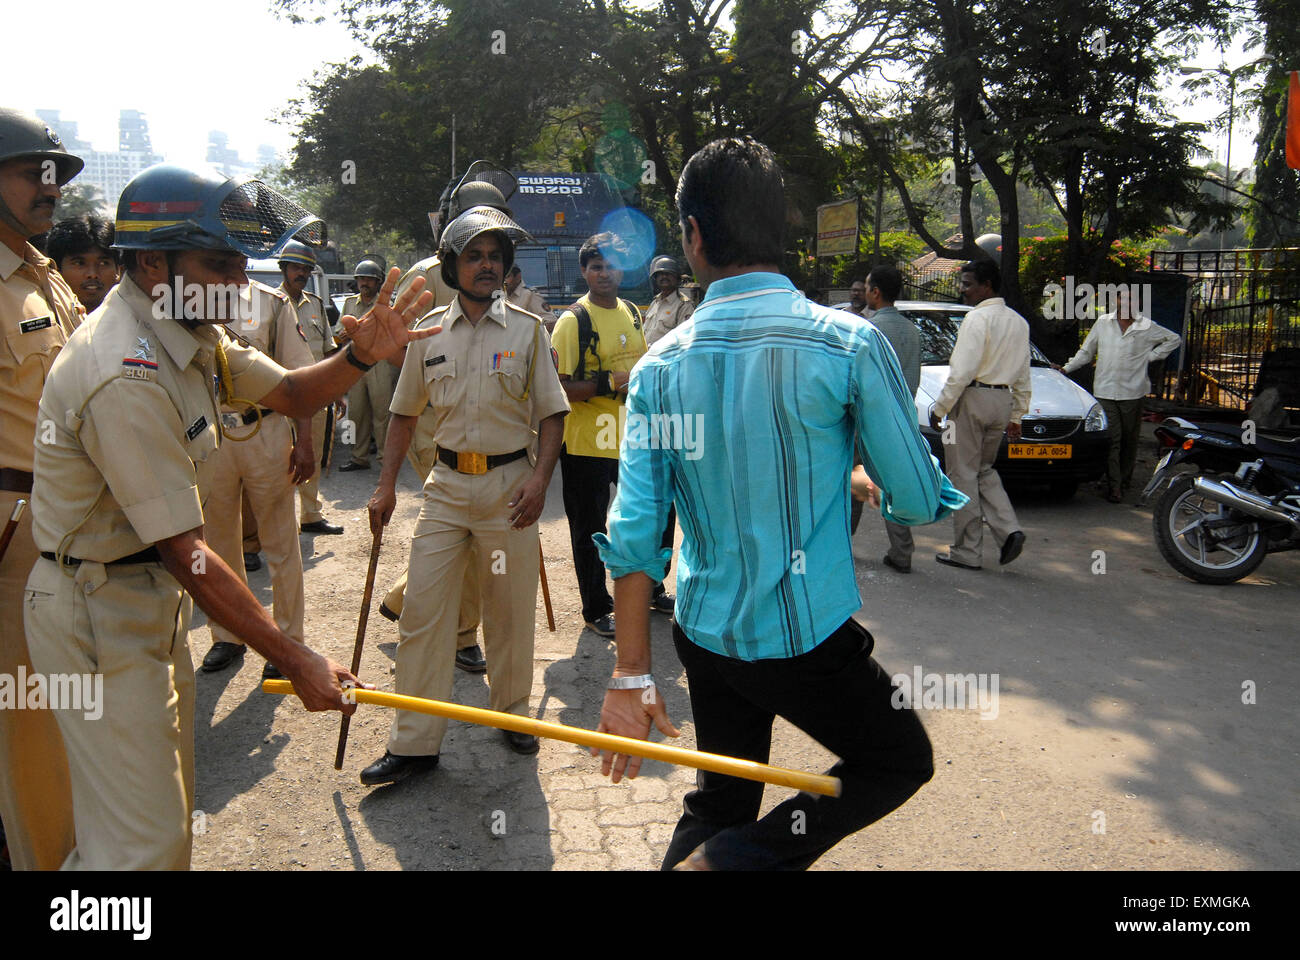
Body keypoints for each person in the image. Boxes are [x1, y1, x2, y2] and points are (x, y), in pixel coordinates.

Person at [22, 163, 435, 869]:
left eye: (241, 263)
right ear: (153, 262)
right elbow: (192, 556)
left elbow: (295, 394)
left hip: (140, 604)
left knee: (145, 828)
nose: (239, 281)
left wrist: (359, 355)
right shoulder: (126, 369)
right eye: (220, 263)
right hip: (97, 613)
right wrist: (295, 656)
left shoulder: (188, 328)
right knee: (141, 846)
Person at [590, 137, 965, 870]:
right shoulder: (847, 344)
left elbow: (636, 534)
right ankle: (732, 862)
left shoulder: (660, 366)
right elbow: (919, 502)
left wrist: (630, 678)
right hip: (803, 640)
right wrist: (865, 472)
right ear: (782, 229)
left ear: (693, 236)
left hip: (703, 631)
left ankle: (712, 854)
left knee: (721, 795)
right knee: (896, 760)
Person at [360, 204, 569, 784]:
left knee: (509, 610)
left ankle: (513, 716)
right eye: (474, 256)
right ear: (453, 266)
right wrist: (384, 488)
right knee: (423, 611)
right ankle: (415, 742)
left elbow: (553, 415)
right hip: (446, 490)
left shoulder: (529, 333)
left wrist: (539, 481)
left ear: (506, 268)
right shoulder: (427, 337)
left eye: (495, 257)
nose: (486, 266)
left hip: (509, 491)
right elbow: (402, 416)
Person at [378, 176, 521, 673]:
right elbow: (398, 351)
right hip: (436, 428)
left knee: (465, 529)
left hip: (466, 425)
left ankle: (404, 597)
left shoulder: (473, 267)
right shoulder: (426, 274)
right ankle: (461, 635)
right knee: (466, 529)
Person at [0, 106, 83, 871]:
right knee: (23, 709)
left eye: (54, 174)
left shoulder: (44, 273)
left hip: (63, 517)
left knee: (58, 702)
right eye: (33, 172)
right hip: (12, 527)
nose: (49, 187)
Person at [552, 233, 672, 639]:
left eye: (612, 265)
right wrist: (608, 382)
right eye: (596, 266)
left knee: (653, 514)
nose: (605, 273)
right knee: (590, 527)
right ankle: (596, 607)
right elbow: (558, 387)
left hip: (631, 436)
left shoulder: (632, 313)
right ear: (584, 271)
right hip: (586, 443)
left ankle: (652, 585)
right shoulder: (573, 321)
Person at [199, 279, 319, 677]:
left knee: (280, 541)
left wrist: (304, 441)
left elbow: (298, 376)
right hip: (213, 434)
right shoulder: (190, 296)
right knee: (218, 542)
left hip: (264, 429)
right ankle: (228, 635)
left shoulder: (270, 303)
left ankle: (288, 641)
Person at [928, 259, 1029, 570]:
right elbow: (1024, 373)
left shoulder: (977, 319)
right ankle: (1009, 529)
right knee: (984, 470)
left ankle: (968, 552)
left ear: (987, 286)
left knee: (963, 475)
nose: (963, 290)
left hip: (972, 398)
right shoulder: (1018, 322)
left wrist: (940, 408)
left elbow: (962, 371)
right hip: (1002, 402)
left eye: (968, 284)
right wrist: (1017, 415)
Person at [1054, 288, 1180, 502]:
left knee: (1129, 441)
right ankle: (1115, 486)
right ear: (1117, 301)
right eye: (1124, 299)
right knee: (1113, 439)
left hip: (1134, 391)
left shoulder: (1147, 326)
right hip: (1105, 390)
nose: (1128, 304)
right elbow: (1086, 352)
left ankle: (1123, 479)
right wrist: (1065, 369)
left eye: (1133, 300)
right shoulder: (1103, 323)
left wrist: (1151, 356)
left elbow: (1174, 339)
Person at [278, 239, 345, 534]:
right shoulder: (267, 304)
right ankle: (265, 532)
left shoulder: (316, 306)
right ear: (284, 269)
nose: (301, 273)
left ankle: (310, 516)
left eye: (306, 268)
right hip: (278, 395)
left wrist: (338, 390)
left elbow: (330, 350)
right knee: (276, 460)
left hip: (314, 396)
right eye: (295, 267)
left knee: (313, 453)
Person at [864, 264, 921, 573]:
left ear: (875, 292)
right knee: (891, 485)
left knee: (852, 480)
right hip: (899, 419)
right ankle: (902, 552)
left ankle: (841, 544)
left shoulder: (868, 330)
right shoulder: (913, 331)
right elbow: (914, 378)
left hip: (867, 418)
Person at [339, 258, 394, 471]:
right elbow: (338, 333)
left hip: (379, 364)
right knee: (357, 414)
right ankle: (358, 457)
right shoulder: (350, 303)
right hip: (355, 364)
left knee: (382, 415)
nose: (365, 283)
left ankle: (384, 459)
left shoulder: (386, 305)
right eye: (361, 279)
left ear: (378, 282)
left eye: (370, 280)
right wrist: (343, 335)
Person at [44, 213, 119, 312]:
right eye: (79, 263)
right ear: (56, 269)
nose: (92, 274)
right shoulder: (40, 314)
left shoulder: (137, 319)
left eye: (103, 263)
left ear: (118, 270)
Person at [642, 255, 694, 347]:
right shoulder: (655, 302)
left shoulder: (684, 305)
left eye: (669, 273)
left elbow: (683, 342)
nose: (664, 277)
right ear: (656, 279)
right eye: (661, 274)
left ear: (677, 279)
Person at [504, 263, 555, 330]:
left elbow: (551, 322)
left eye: (507, 277)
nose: (503, 281)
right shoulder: (499, 294)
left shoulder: (530, 295)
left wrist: (527, 334)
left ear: (517, 277)